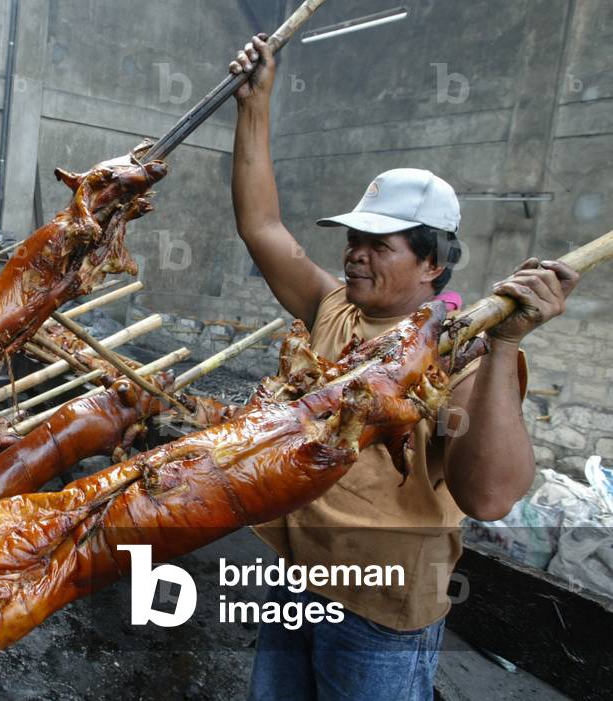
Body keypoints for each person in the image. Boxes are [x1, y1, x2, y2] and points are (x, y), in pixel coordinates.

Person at [228, 34, 580, 701]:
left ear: (430, 263)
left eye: (376, 244)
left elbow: (491, 496)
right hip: (296, 578)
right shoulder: (331, 309)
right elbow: (262, 228)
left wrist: (505, 344)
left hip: (380, 611)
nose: (354, 254)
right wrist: (255, 105)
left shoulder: (459, 350)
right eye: (352, 240)